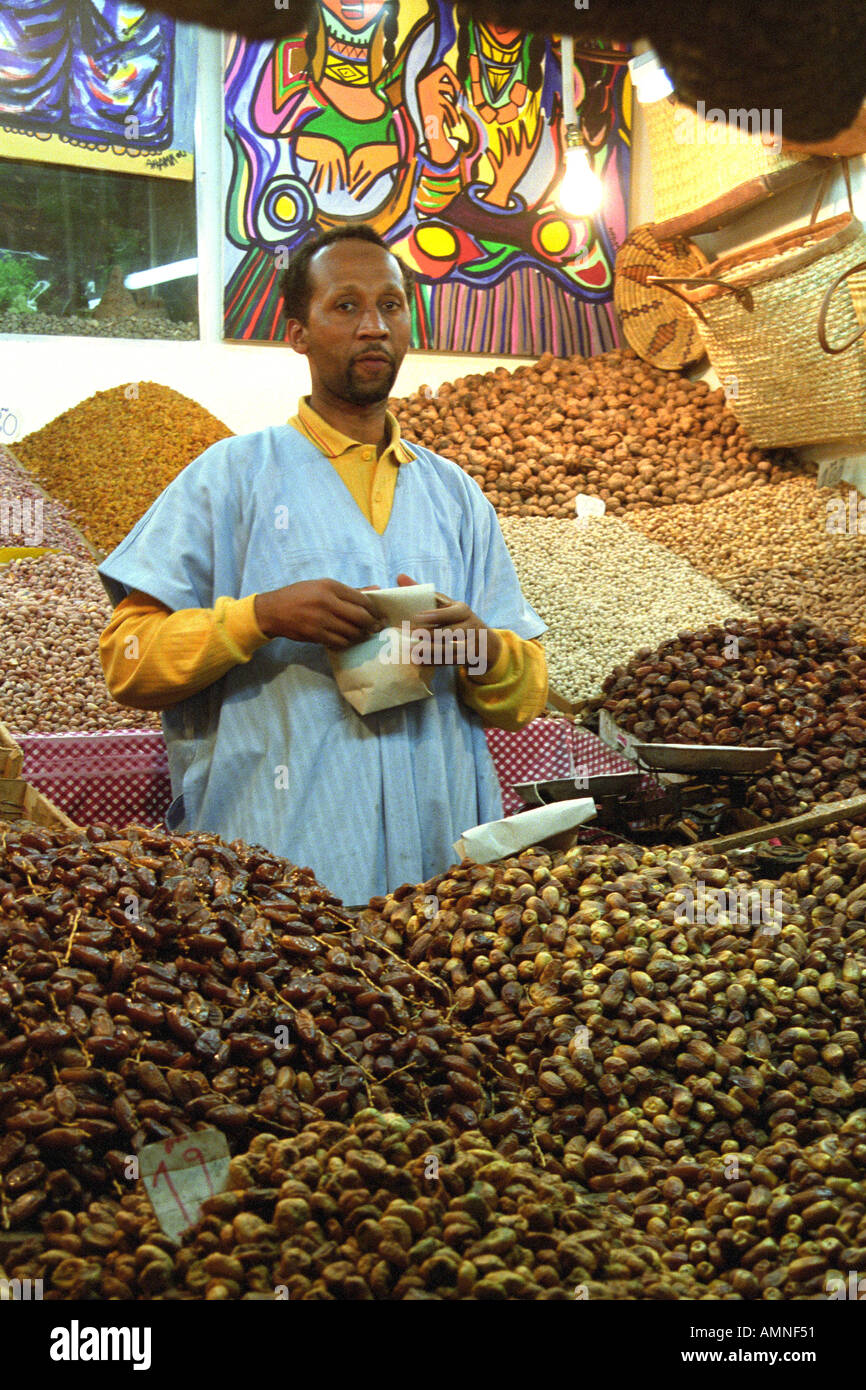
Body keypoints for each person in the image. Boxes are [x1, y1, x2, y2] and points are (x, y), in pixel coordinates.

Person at [98, 224, 548, 903]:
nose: (374, 326)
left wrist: (475, 644)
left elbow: (525, 695)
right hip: (280, 868)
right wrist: (260, 617)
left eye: (391, 305)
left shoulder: (454, 494)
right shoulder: (230, 477)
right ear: (298, 332)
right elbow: (128, 659)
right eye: (345, 306)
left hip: (445, 872)